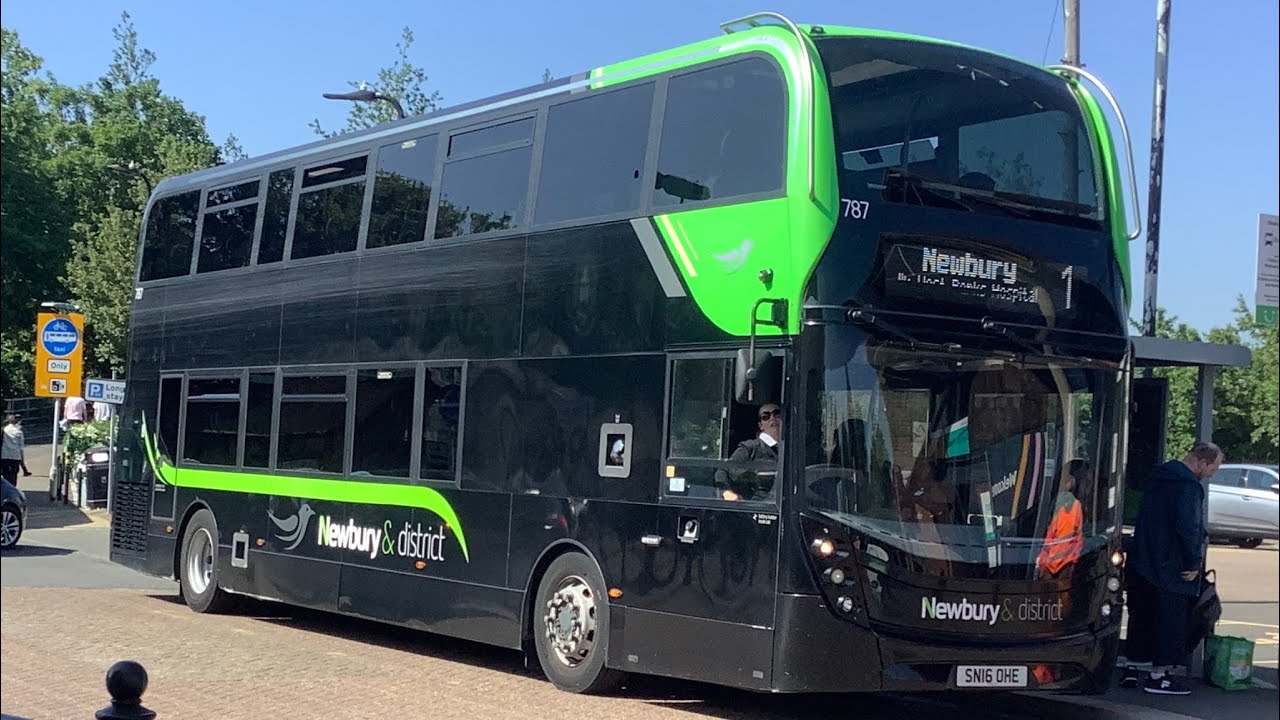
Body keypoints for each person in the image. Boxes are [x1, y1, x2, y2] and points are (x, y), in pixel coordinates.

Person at [1121, 441, 1223, 696]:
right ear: (1202, 462)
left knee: (1141, 616)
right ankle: (1160, 676)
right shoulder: (1188, 486)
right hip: (1172, 565)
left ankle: (1132, 667)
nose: (1211, 475)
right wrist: (1193, 562)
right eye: (1213, 469)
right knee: (1171, 620)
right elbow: (1188, 526)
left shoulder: (1158, 477)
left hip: (1143, 560)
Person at [718, 402, 782, 501]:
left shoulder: (793, 450)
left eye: (777, 414)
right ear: (761, 426)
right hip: (756, 506)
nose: (772, 418)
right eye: (765, 417)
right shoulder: (750, 447)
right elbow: (722, 471)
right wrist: (728, 494)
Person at [2, 414, 33, 484]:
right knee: (13, 476)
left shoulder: (4, 430)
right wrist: (22, 461)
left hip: (4, 456)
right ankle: (12, 488)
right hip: (15, 456)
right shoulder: (19, 432)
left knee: (5, 475)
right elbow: (21, 448)